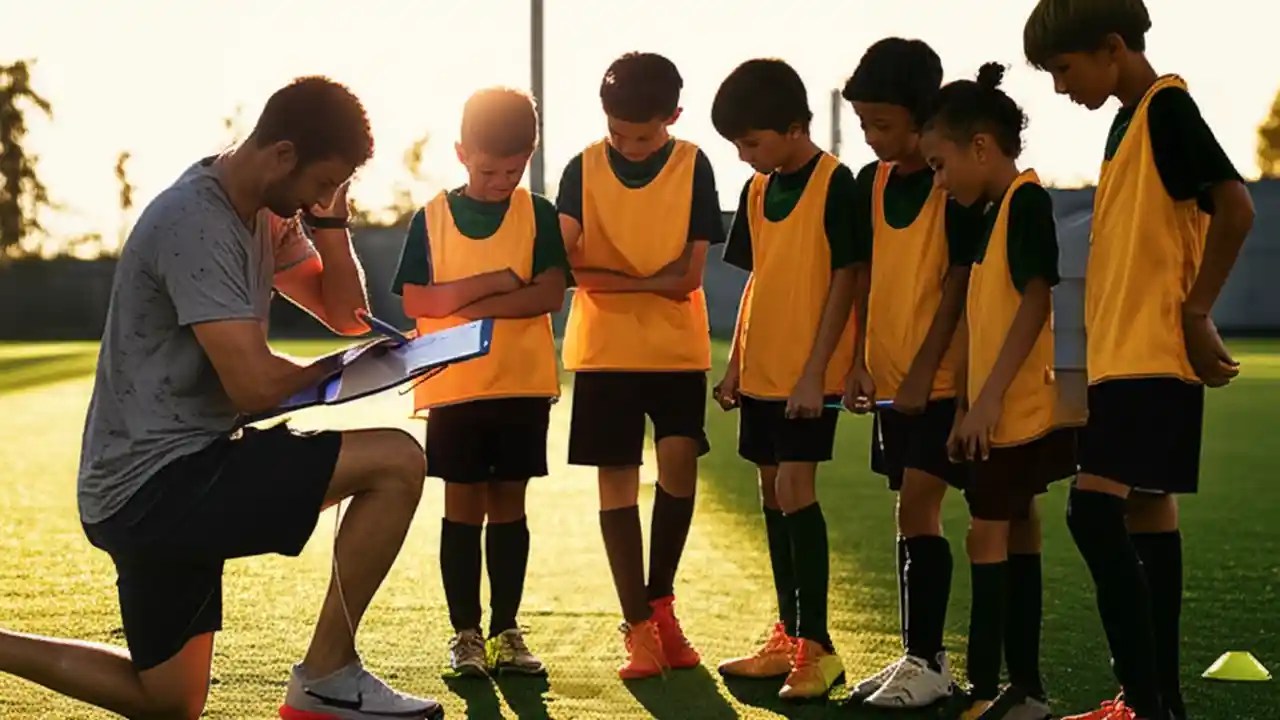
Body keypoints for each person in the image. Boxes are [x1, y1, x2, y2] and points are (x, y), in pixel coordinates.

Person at [0, 77, 443, 720]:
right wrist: (347, 369)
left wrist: (331, 219)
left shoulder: (268, 211)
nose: (322, 198)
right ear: (283, 154)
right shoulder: (194, 223)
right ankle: (326, 677)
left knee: (170, 703)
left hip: (156, 479)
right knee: (397, 460)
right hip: (159, 484)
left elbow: (345, 312)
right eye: (323, 183)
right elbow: (254, 386)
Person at [1024, 1, 1255, 718]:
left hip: (1151, 358)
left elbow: (1236, 206)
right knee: (1147, 513)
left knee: (1091, 516)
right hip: (1126, 359)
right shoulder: (1128, 124)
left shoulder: (1164, 107)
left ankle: (1147, 703)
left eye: (1065, 70)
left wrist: (1193, 313)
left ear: (1113, 47)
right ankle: (1157, 703)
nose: (1062, 88)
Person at [556, 51, 725, 679]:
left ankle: (660, 603)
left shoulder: (693, 165)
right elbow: (568, 268)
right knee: (617, 483)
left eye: (642, 134)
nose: (625, 145)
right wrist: (648, 280)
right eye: (615, 132)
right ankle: (639, 629)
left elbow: (688, 278)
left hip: (678, 352)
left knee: (679, 464)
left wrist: (610, 279)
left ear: (673, 117)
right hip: (604, 356)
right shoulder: (580, 167)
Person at [921, 62, 1081, 720]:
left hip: (1015, 414)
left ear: (980, 147)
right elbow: (984, 320)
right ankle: (1025, 692)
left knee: (986, 537)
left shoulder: (1026, 202)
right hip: (994, 411)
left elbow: (1037, 300)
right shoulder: (986, 214)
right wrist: (965, 399)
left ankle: (987, 693)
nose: (938, 180)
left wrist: (985, 403)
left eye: (939, 164)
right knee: (1016, 532)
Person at [392, 87, 568, 680]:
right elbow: (418, 300)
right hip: (454, 389)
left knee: (508, 506)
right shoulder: (432, 218)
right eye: (490, 169)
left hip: (520, 385)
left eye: (514, 170)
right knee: (463, 506)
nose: (502, 181)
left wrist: (460, 302)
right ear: (463, 153)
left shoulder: (537, 213)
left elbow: (548, 294)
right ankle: (464, 634)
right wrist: (491, 283)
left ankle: (505, 631)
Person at [838, 37, 982, 709]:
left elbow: (957, 283)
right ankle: (920, 658)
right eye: (863, 123)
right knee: (906, 513)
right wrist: (863, 358)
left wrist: (926, 369)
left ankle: (927, 660)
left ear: (923, 117)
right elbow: (870, 276)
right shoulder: (872, 184)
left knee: (920, 505)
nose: (870, 137)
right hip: (891, 380)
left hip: (941, 382)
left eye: (882, 124)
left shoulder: (947, 182)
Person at [710, 58, 859, 701]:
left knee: (797, 487)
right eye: (739, 146)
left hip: (808, 377)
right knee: (771, 490)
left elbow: (851, 279)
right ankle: (788, 633)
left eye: (752, 143)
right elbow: (757, 281)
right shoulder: (757, 190)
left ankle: (817, 648)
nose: (745, 157)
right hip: (763, 370)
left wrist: (817, 373)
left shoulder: (838, 183)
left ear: (795, 127)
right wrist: (737, 364)